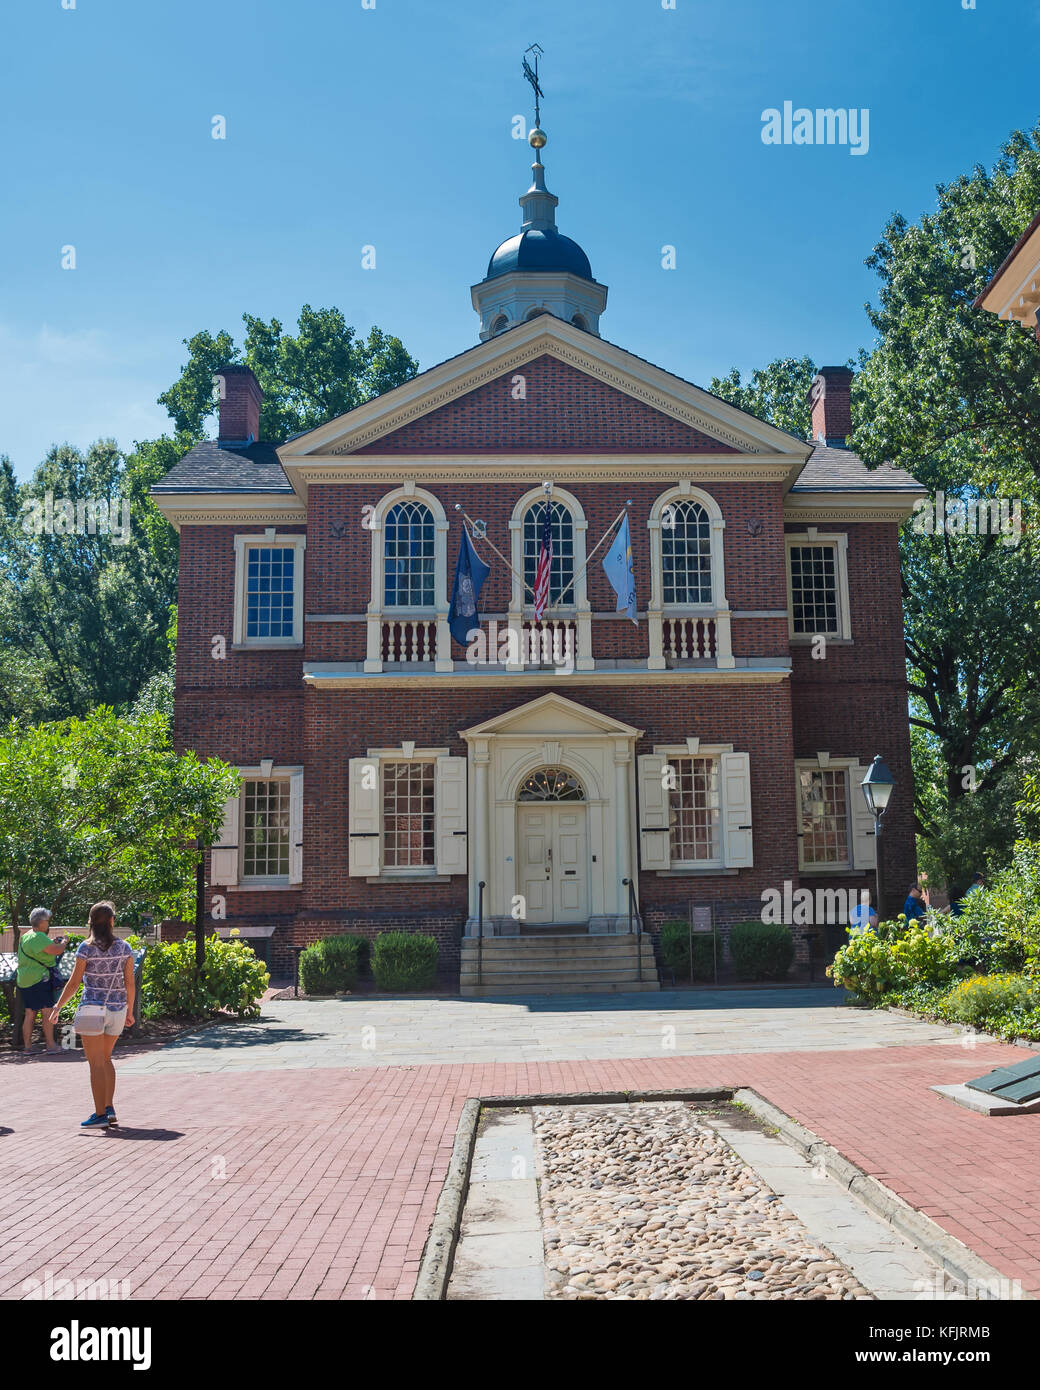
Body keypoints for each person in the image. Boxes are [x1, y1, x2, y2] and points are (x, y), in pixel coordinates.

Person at [50, 901, 135, 1129]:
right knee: (106, 1059)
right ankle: (109, 1108)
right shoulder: (125, 948)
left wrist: (58, 1007)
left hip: (92, 1010)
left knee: (95, 1063)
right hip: (118, 1009)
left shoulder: (85, 948)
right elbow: (130, 983)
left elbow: (75, 982)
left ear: (90, 922)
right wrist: (130, 1010)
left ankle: (99, 1115)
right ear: (111, 922)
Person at [16, 907, 67, 1054]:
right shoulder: (39, 937)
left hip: (25, 979)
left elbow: (41, 948)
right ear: (41, 922)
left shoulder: (27, 936)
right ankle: (51, 1045)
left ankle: (28, 1047)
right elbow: (57, 950)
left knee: (30, 1012)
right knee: (47, 1011)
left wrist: (51, 941)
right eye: (47, 920)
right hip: (39, 979)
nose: (49, 923)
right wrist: (64, 942)